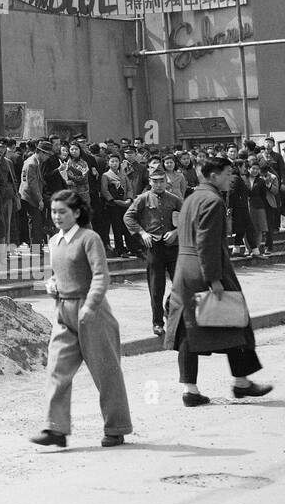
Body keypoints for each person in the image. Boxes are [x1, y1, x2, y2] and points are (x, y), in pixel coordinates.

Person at [164, 156, 272, 406]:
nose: (231, 178)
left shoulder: (192, 198)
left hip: (184, 270)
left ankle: (191, 390)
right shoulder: (213, 201)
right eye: (227, 174)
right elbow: (207, 243)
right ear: (213, 176)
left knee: (188, 331)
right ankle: (242, 382)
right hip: (206, 270)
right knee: (235, 320)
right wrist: (214, 279)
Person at [30, 189, 133, 449]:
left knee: (106, 371)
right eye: (53, 212)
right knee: (56, 368)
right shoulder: (54, 241)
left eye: (62, 212)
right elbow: (58, 274)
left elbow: (101, 275)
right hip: (64, 311)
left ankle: (116, 427)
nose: (56, 217)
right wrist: (52, 283)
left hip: (93, 312)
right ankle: (56, 429)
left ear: (76, 213)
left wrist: (90, 305)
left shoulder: (90, 238)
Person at [123, 167, 182, 337]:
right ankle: (157, 323)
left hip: (172, 246)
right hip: (154, 248)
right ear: (150, 182)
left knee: (180, 284)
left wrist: (176, 232)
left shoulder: (174, 199)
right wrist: (142, 233)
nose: (158, 184)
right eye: (155, 181)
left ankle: (169, 309)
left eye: (161, 181)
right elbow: (128, 217)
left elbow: (188, 216)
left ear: (166, 182)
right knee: (156, 288)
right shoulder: (142, 199)